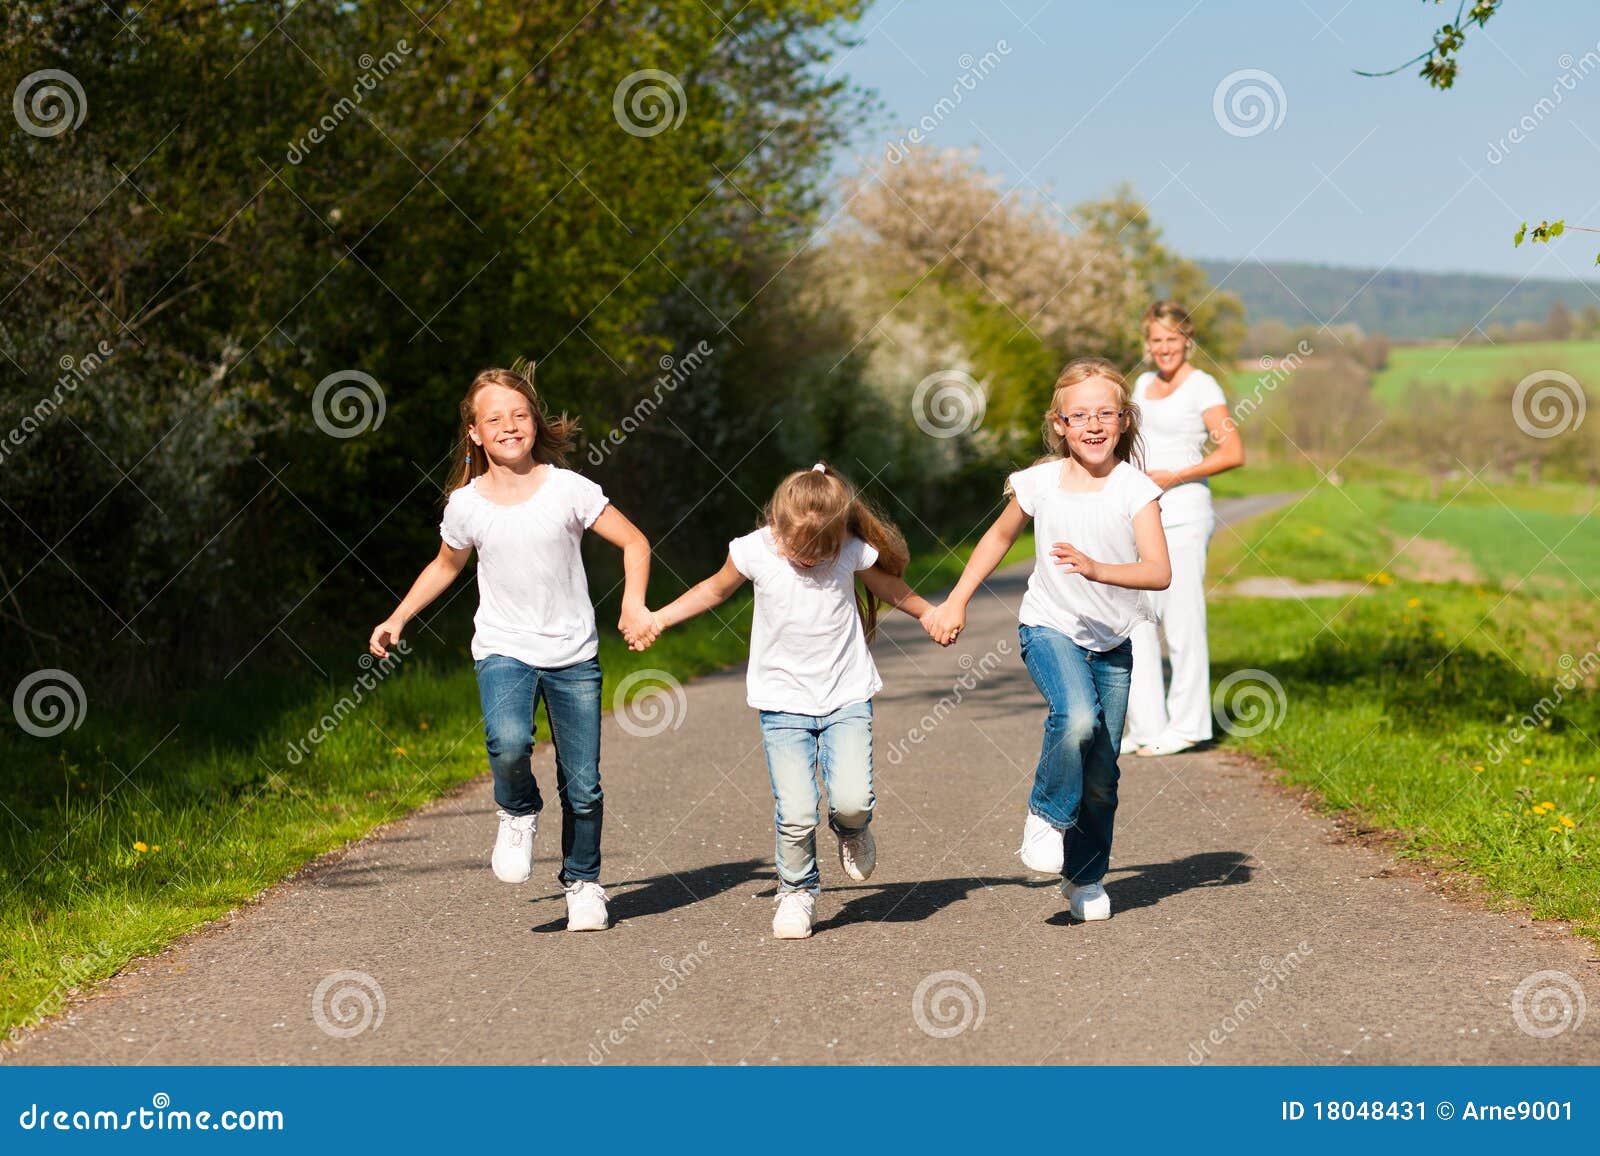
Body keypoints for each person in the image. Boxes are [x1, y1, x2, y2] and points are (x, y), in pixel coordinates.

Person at [369, 362, 655, 933]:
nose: (508, 425)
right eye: (493, 418)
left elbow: (635, 543)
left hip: (573, 653)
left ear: (535, 423)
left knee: (583, 784)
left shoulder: (569, 489)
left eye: (519, 414)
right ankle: (518, 811)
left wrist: (633, 605)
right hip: (503, 647)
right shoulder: (465, 504)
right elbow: (446, 565)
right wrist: (399, 616)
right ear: (474, 433)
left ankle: (583, 882)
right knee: (507, 743)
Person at [638, 463, 942, 940]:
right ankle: (797, 890)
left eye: (820, 549)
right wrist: (658, 618)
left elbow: (888, 586)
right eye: (798, 547)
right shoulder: (754, 550)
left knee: (853, 801)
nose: (807, 558)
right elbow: (713, 589)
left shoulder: (848, 550)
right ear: (776, 525)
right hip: (782, 703)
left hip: (845, 693)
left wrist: (931, 614)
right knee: (797, 810)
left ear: (839, 535)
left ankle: (852, 830)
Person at [927, 359, 1170, 921]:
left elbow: (1158, 571)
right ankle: (1045, 816)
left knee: (1103, 773)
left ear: (1124, 420)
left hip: (1111, 642)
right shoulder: (1038, 483)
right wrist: (957, 599)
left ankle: (1084, 878)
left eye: (1104, 413)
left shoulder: (1136, 490)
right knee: (1078, 717)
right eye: (1079, 414)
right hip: (1049, 626)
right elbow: (998, 537)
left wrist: (1097, 568)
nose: (1092, 424)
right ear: (1059, 423)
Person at [1123, 301, 1245, 757]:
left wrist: (1174, 475)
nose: (1164, 348)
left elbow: (1233, 450)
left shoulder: (1203, 386)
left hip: (1185, 510)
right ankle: (1147, 725)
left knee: (1182, 618)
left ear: (1188, 340)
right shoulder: (1141, 384)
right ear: (1147, 343)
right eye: (1156, 340)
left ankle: (1190, 725)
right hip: (1142, 512)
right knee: (1137, 617)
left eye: (1172, 339)